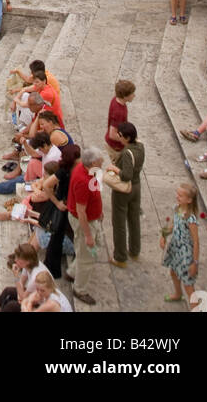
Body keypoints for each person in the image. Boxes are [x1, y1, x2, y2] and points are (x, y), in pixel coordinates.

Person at [68, 146, 104, 306]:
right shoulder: (83, 181)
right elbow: (81, 212)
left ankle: (72, 272)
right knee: (87, 257)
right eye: (100, 162)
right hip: (84, 221)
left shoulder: (85, 170)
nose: (102, 164)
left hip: (91, 217)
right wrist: (88, 235)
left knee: (83, 251)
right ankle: (79, 289)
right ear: (92, 163)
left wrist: (99, 210)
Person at [108, 121, 145, 267]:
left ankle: (120, 256)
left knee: (119, 222)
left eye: (121, 136)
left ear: (127, 138)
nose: (119, 137)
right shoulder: (140, 147)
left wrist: (115, 169)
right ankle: (135, 250)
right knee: (134, 219)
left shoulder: (127, 152)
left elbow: (126, 175)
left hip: (125, 189)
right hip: (137, 186)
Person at [161, 182, 200, 306]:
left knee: (188, 284)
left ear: (189, 200)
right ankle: (178, 294)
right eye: (177, 194)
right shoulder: (177, 208)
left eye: (181, 195)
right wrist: (164, 235)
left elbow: (196, 241)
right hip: (176, 248)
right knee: (173, 272)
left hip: (186, 254)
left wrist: (195, 262)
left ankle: (195, 307)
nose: (177, 197)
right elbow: (173, 225)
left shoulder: (191, 219)